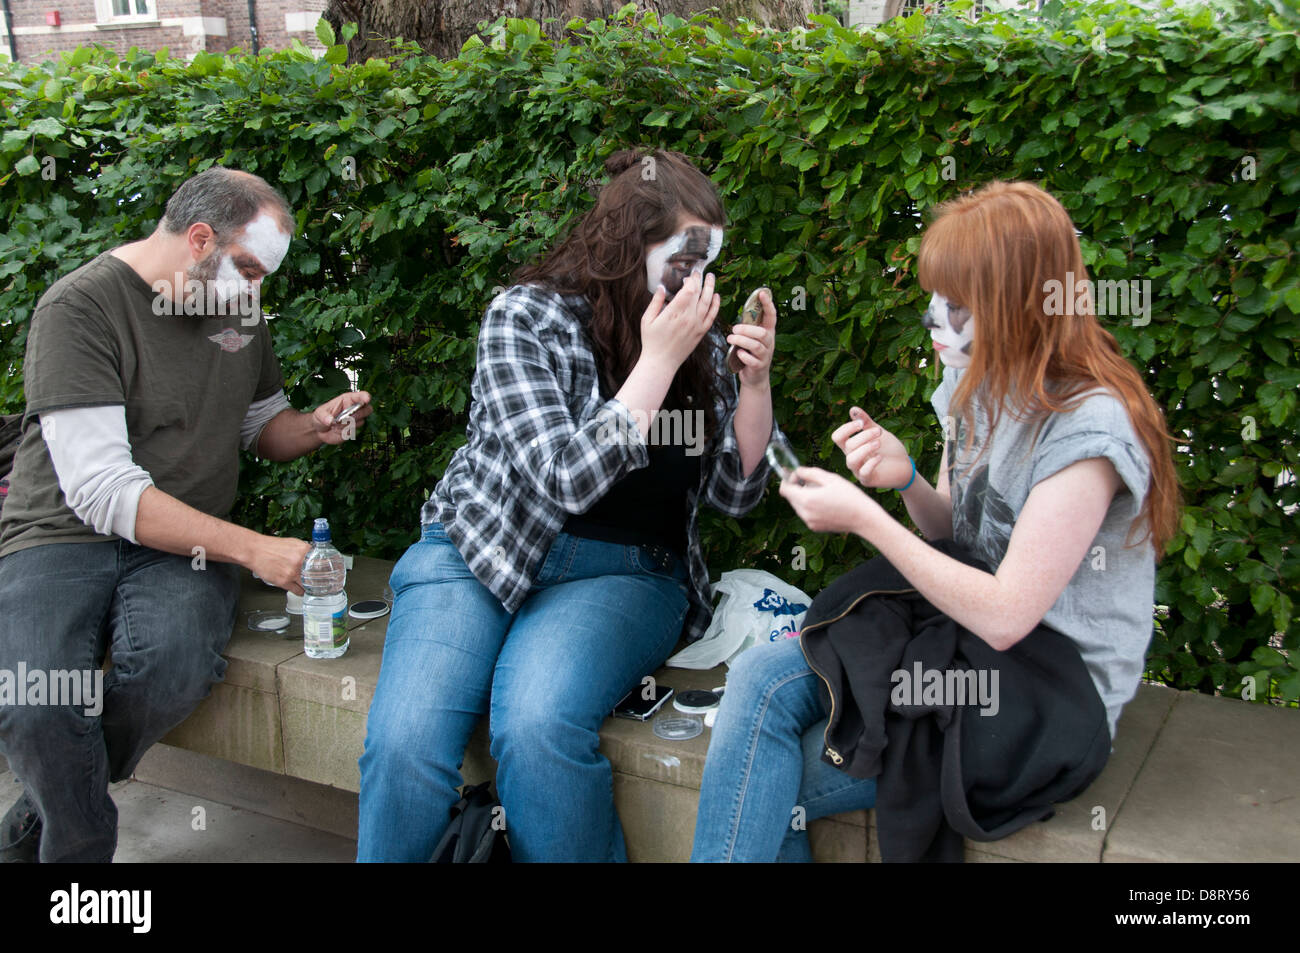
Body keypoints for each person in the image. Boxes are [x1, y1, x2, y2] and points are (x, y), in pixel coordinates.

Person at [690, 179, 1180, 862]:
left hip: (1043, 685)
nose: (932, 318)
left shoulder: (1087, 431)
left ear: (1015, 308)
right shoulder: (971, 379)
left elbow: (1009, 613)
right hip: (960, 633)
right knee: (759, 683)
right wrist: (906, 478)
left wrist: (866, 517)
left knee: (765, 778)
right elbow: (957, 537)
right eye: (933, 296)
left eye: (954, 304)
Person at [357, 148, 783, 862]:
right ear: (628, 247)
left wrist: (757, 384)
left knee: (536, 725)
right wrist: (655, 363)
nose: (699, 282)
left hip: (624, 572)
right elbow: (562, 479)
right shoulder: (524, 318)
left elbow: (738, 492)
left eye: (708, 263)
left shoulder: (702, 349)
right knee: (404, 741)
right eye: (685, 260)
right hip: (479, 550)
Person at [0, 167, 373, 862]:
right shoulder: (79, 308)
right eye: (251, 270)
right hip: (60, 533)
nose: (257, 293)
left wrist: (312, 427)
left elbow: (261, 423)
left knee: (174, 665)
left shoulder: (235, 309)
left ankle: (42, 815)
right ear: (200, 239)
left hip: (181, 546)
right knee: (35, 702)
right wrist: (255, 548)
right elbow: (103, 492)